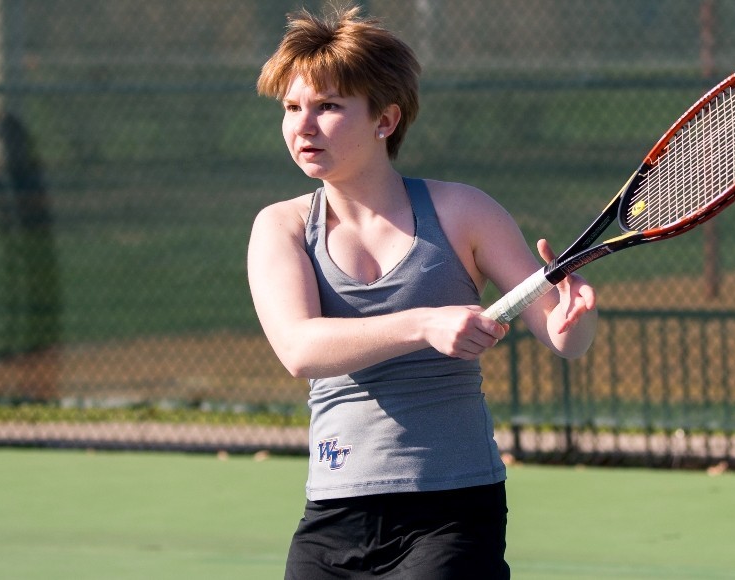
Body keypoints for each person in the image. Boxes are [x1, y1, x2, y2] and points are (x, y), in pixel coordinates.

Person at [248, 4, 597, 578]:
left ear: (385, 120)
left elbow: (563, 337)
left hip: (453, 512)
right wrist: (425, 323)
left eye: (328, 106)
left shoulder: (464, 212)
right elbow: (299, 349)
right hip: (333, 512)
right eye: (291, 107)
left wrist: (573, 321)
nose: (302, 126)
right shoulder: (280, 226)